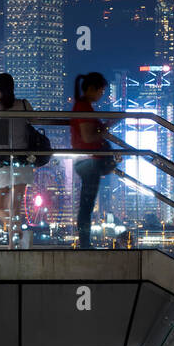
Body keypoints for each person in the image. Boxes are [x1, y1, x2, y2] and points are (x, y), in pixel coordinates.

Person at [0, 73, 35, 247]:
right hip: (21, 160)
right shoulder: (23, 104)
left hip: (0, 160)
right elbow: (35, 119)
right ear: (13, 87)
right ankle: (12, 247)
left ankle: (17, 234)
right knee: (15, 209)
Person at [71, 71, 115, 248]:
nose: (101, 94)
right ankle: (85, 244)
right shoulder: (83, 108)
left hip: (86, 161)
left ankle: (85, 243)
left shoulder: (82, 106)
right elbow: (88, 137)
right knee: (87, 206)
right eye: (101, 90)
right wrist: (104, 130)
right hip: (89, 161)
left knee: (87, 205)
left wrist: (104, 127)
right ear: (91, 88)